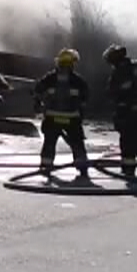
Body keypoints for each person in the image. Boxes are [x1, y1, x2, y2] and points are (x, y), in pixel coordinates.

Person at [33, 48, 91, 177]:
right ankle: (82, 167)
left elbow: (37, 90)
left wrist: (38, 104)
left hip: (52, 118)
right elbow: (85, 98)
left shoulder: (49, 78)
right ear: (71, 64)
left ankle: (46, 166)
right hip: (72, 119)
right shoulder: (78, 81)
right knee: (77, 143)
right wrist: (81, 113)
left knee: (49, 143)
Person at [105, 44, 137, 180]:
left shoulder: (119, 72)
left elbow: (112, 93)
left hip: (127, 112)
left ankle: (128, 169)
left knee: (127, 141)